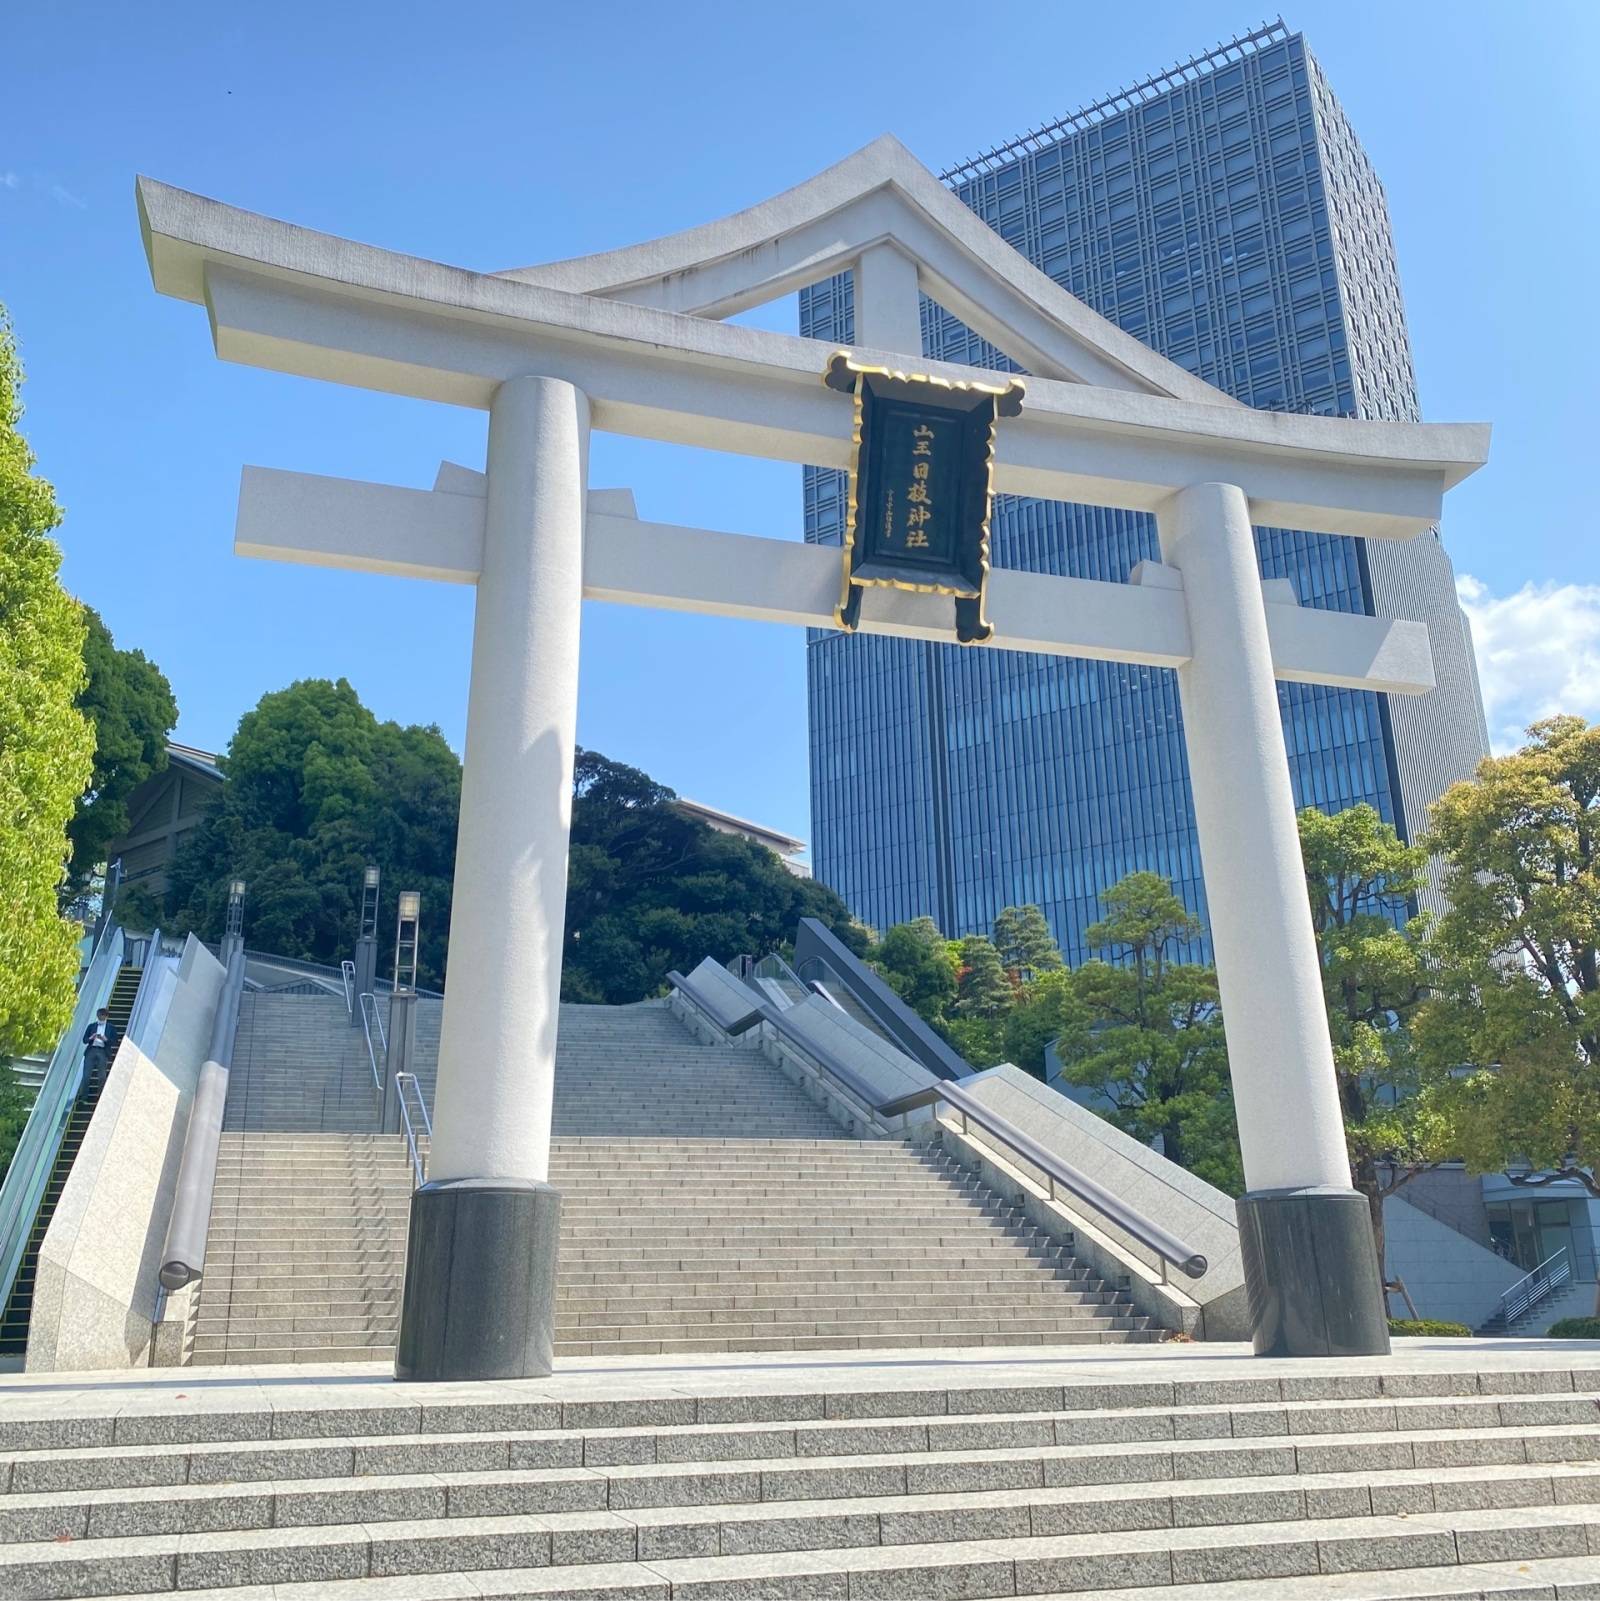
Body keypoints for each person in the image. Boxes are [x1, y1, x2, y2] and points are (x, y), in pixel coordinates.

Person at [79, 1007, 119, 1104]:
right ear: (97, 1016)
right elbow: (84, 1040)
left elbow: (115, 1041)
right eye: (99, 1015)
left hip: (103, 1051)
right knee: (86, 1075)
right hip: (91, 1050)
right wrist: (91, 1038)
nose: (101, 1017)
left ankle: (100, 1097)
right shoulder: (91, 1026)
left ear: (106, 1016)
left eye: (103, 1016)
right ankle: (83, 1097)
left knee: (102, 1075)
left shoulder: (111, 1028)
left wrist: (106, 1039)